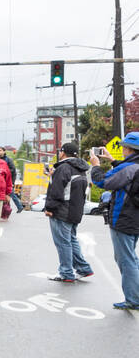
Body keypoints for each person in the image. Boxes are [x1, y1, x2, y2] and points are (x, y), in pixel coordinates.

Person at [88, 132, 139, 309]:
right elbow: (127, 175)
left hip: (123, 218)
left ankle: (134, 299)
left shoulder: (128, 168)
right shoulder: (132, 166)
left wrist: (95, 165)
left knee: (126, 260)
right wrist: (112, 161)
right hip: (136, 218)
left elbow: (102, 182)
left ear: (127, 148)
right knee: (131, 257)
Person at [44, 141, 94, 283]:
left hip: (61, 211)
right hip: (75, 211)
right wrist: (52, 176)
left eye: (60, 151)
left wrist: (49, 208)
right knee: (71, 240)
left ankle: (66, 272)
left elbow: (57, 191)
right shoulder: (81, 168)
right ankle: (83, 268)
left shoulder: (64, 168)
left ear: (63, 152)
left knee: (63, 242)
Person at [0, 146, 22, 213]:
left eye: (0, 150)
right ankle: (5, 209)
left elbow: (13, 170)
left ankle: (19, 206)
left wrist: (4, 171)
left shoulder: (8, 159)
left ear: (4, 151)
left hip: (7, 180)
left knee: (11, 193)